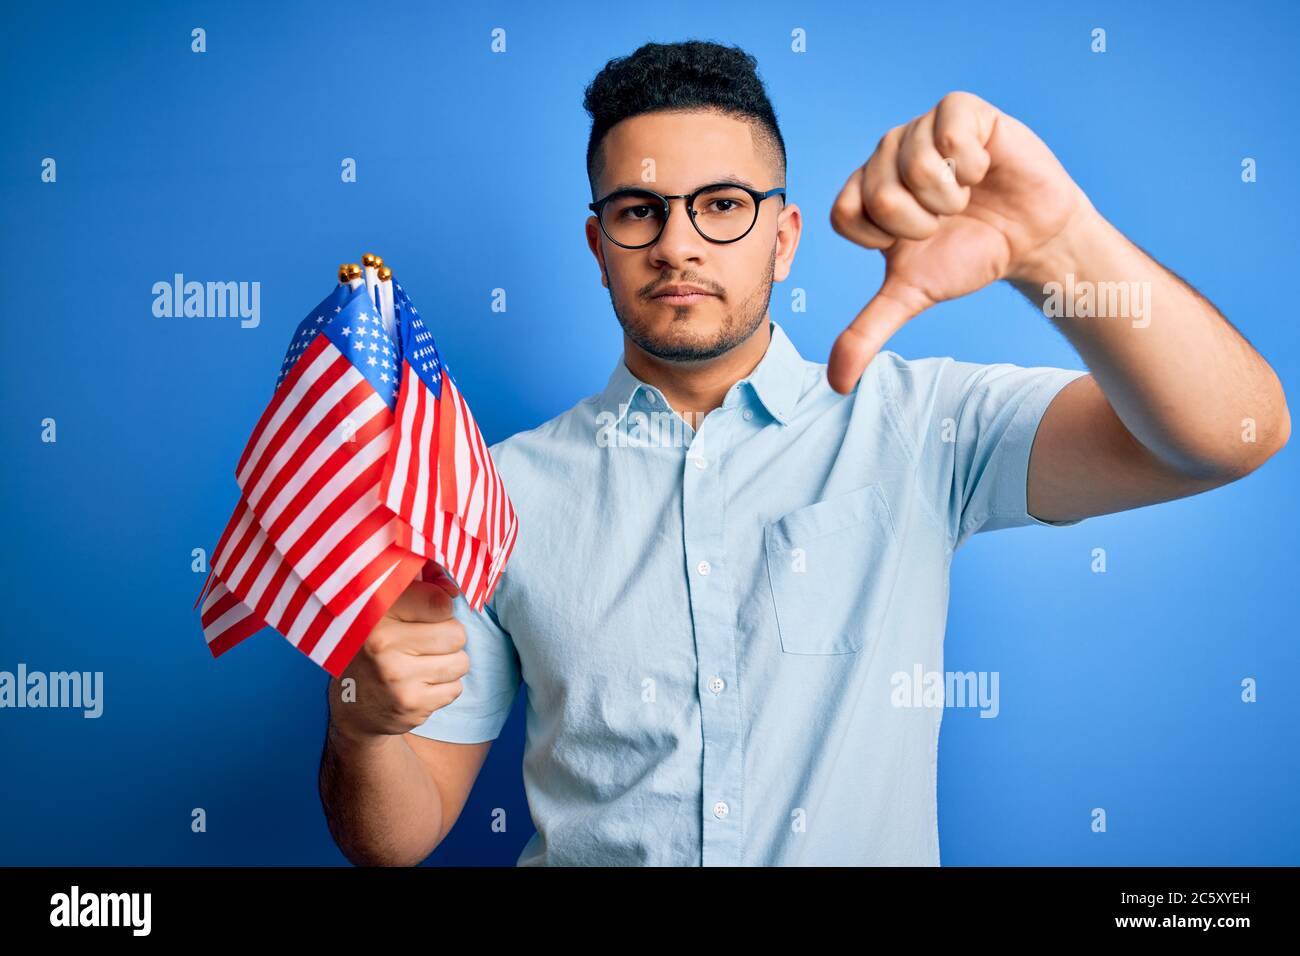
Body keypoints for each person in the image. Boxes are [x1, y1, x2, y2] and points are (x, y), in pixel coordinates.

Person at [319, 40, 1289, 866]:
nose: (677, 243)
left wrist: (1056, 245)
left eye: (722, 204)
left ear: (783, 238)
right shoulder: (487, 492)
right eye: (637, 211)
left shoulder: (919, 422)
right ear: (597, 241)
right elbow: (395, 837)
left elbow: (1232, 435)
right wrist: (360, 722)